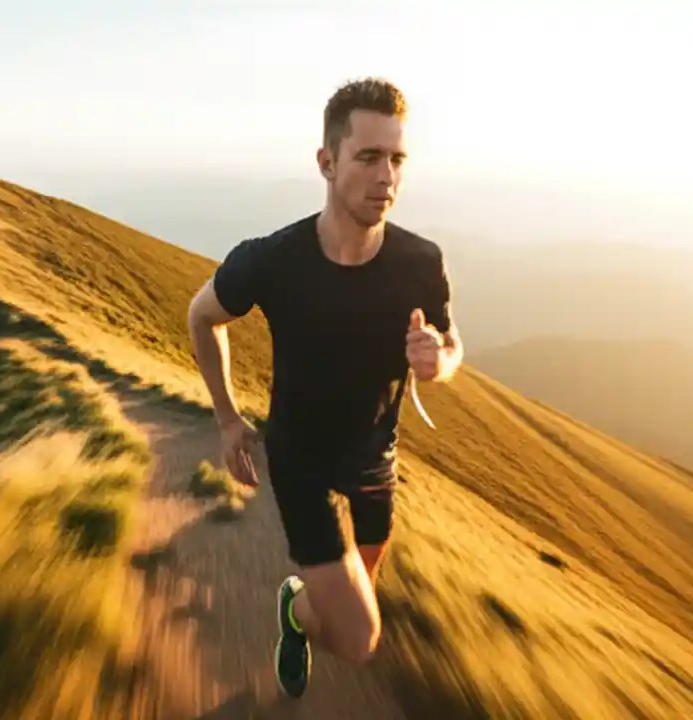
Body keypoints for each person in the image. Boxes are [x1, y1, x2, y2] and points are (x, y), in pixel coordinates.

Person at [185, 77, 464, 698]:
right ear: (327, 161)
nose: (386, 177)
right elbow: (201, 316)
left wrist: (438, 360)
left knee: (349, 600)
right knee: (360, 636)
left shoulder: (421, 263)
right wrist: (229, 420)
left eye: (397, 159)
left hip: (376, 462)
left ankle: (302, 612)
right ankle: (297, 611)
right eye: (368, 157)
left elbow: (451, 345)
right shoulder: (272, 260)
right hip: (300, 460)